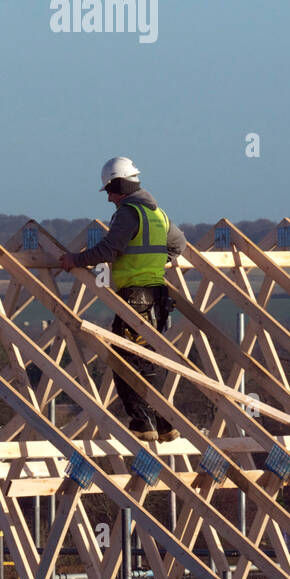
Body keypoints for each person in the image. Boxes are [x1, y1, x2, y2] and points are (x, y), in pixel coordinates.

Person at [60, 157, 185, 442]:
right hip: (158, 297)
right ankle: (164, 422)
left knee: (123, 359)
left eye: (110, 192)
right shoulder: (159, 215)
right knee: (148, 360)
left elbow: (109, 250)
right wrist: (157, 262)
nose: (109, 200)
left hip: (136, 297)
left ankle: (144, 423)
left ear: (119, 186)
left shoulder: (129, 213)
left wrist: (75, 260)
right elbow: (179, 245)